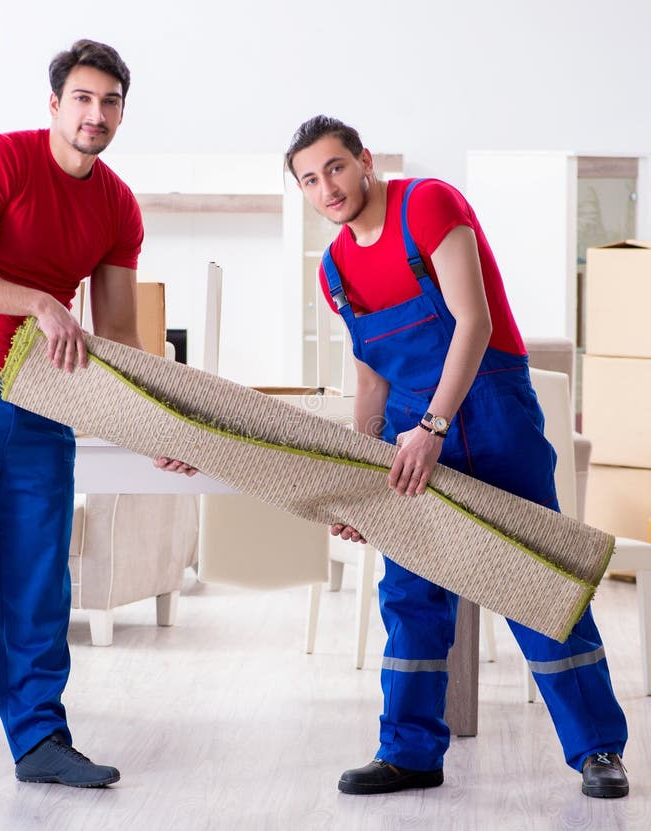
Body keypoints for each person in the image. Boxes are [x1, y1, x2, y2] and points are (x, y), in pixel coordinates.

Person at [285, 115, 629, 799]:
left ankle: (597, 750)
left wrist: (434, 425)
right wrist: (363, 481)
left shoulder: (428, 204)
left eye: (336, 168)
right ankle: (409, 751)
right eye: (309, 179)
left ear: (364, 161)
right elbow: (372, 378)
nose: (327, 187)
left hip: (492, 414)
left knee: (538, 576)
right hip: (411, 432)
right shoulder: (335, 269)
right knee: (410, 593)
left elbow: (474, 321)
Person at [0, 38, 193, 796]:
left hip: (44, 400)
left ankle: (41, 737)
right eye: (83, 99)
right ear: (54, 105)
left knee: (37, 576)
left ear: (122, 112)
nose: (96, 114)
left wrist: (157, 425)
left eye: (110, 102)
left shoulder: (118, 204)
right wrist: (39, 301)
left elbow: (120, 335)